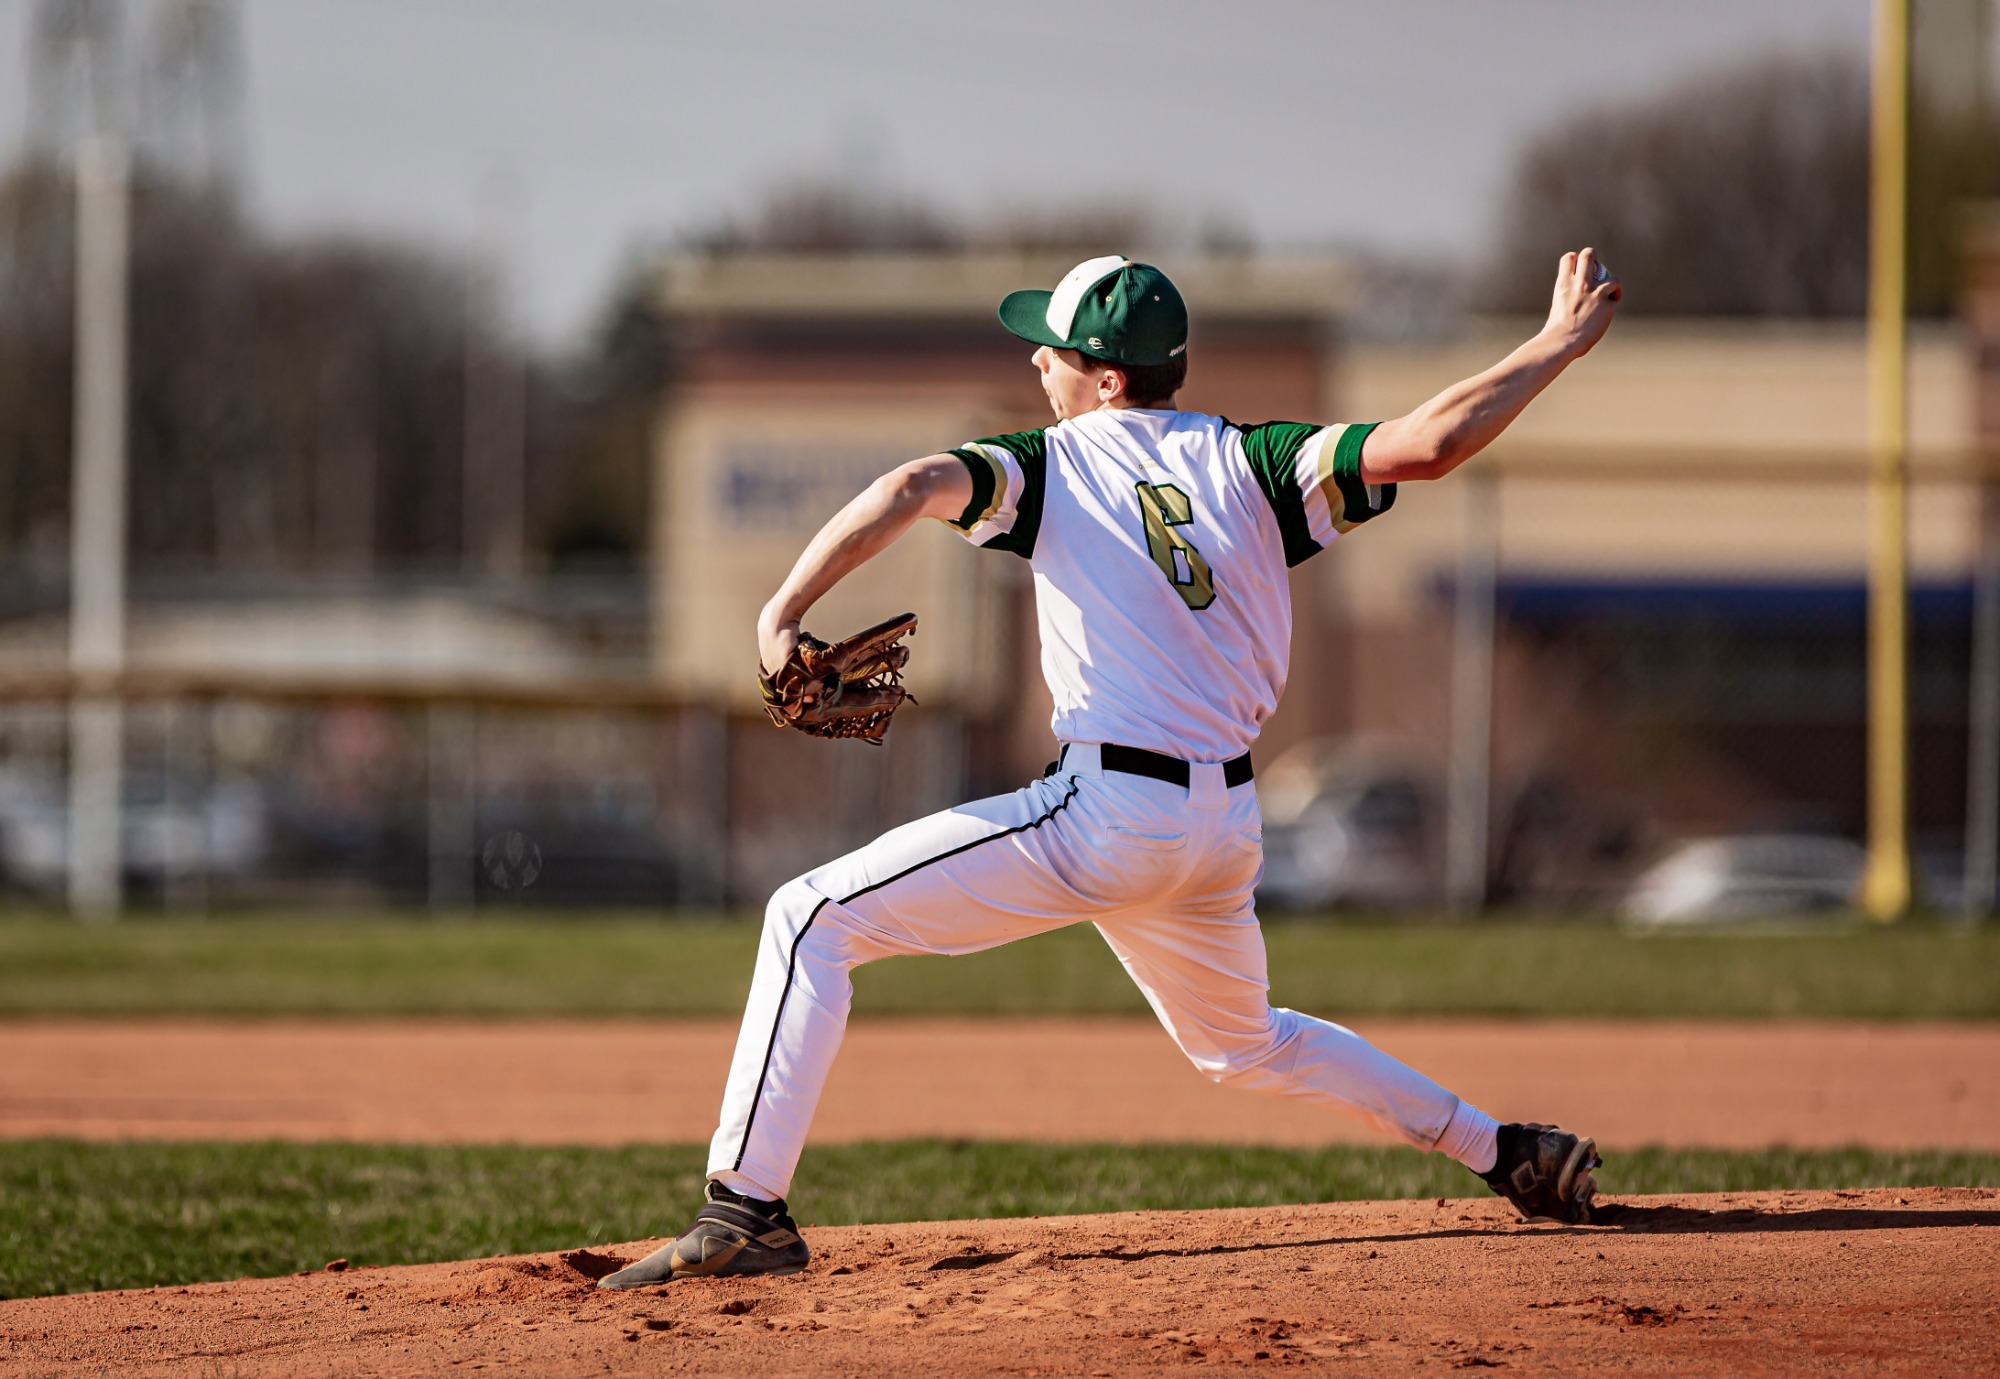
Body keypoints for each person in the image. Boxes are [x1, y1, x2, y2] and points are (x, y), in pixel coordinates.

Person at [599, 248, 1622, 1287]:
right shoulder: (1256, 459)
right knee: (1245, 1044)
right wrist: (1549, 344)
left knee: (809, 915)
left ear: (1105, 377)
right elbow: (1434, 442)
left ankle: (745, 1210)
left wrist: (780, 617)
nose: (1037, 359)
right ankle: (1505, 1152)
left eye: (1053, 346)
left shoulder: (1055, 461)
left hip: (1106, 814)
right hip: (1222, 827)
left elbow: (910, 484)